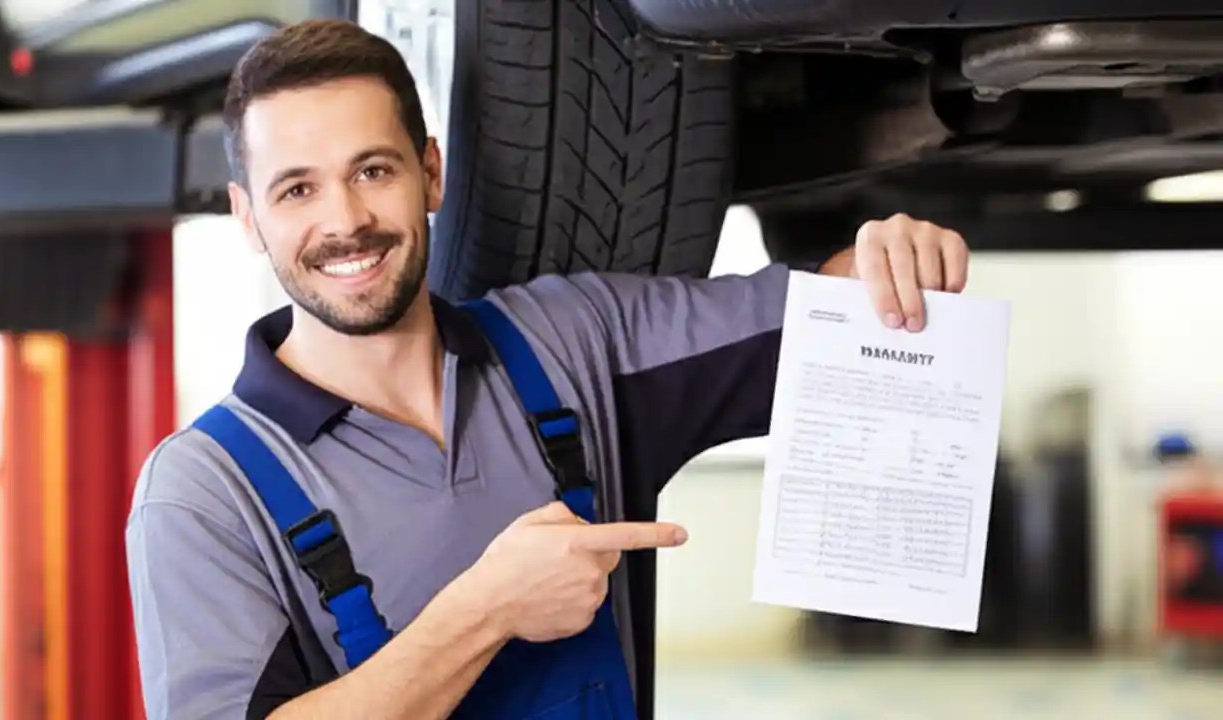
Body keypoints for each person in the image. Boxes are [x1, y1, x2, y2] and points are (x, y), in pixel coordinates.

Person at [124, 18, 972, 720]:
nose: (346, 221)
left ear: (431, 172)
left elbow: (812, 325)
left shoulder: (571, 343)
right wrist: (487, 609)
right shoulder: (205, 492)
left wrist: (883, 263)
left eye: (372, 171)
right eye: (297, 190)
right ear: (246, 217)